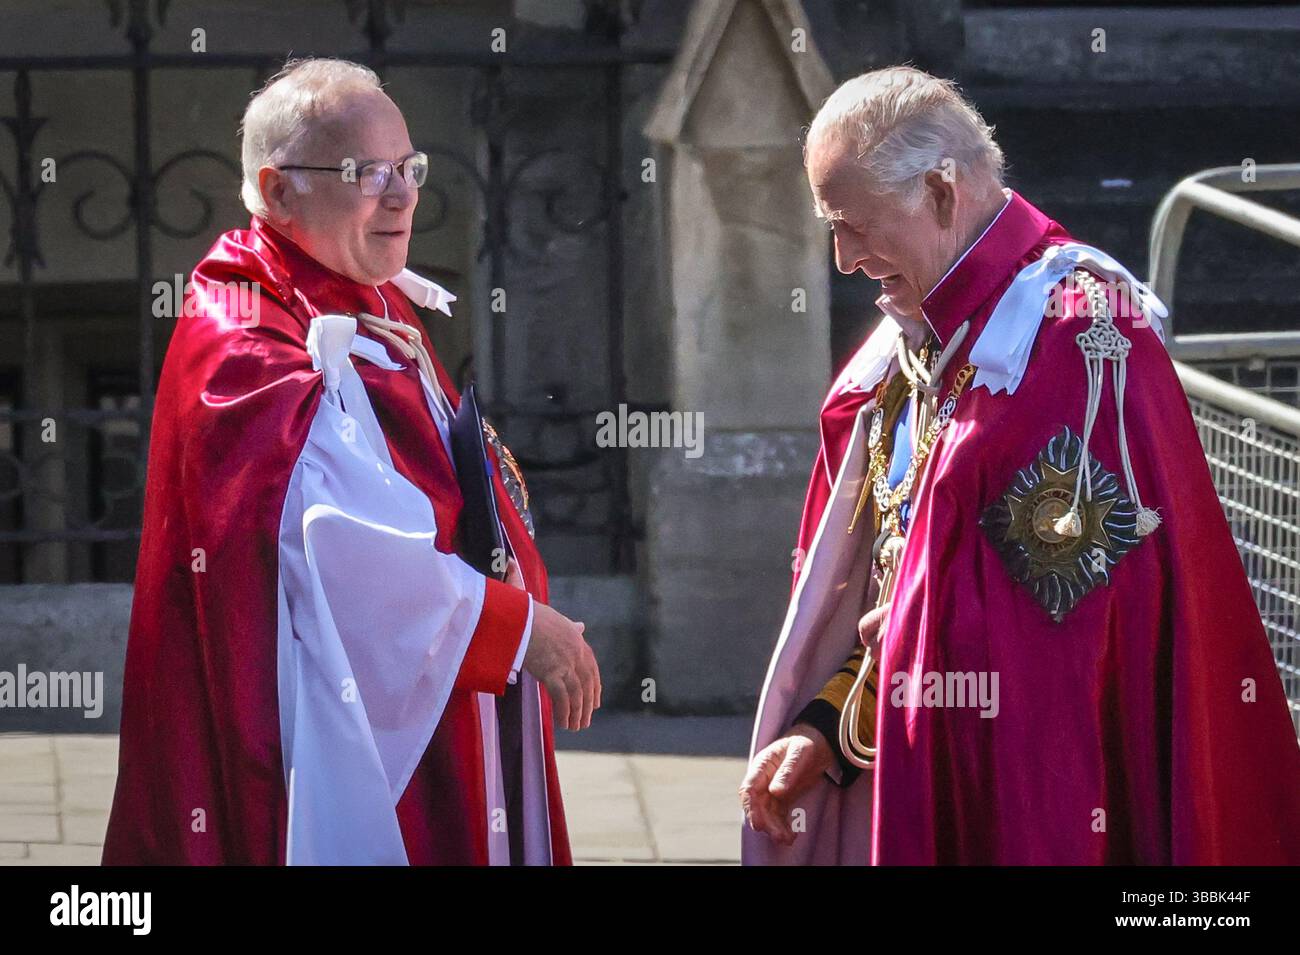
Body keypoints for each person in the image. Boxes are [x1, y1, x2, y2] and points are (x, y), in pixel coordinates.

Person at [741, 66, 1300, 865]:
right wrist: (829, 727)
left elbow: (1068, 653)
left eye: (857, 225)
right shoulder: (914, 347)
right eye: (833, 227)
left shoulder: (1081, 336)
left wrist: (908, 638)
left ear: (941, 193)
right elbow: (899, 587)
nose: (844, 258)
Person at [103, 58, 600, 865]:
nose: (403, 194)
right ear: (277, 189)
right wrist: (510, 627)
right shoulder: (245, 333)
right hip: (340, 736)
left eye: (408, 167)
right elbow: (330, 547)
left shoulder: (360, 288)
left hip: (438, 703)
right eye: (366, 171)